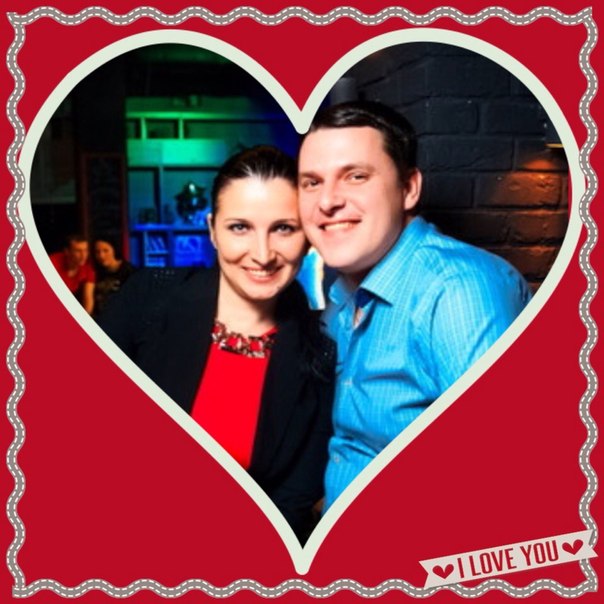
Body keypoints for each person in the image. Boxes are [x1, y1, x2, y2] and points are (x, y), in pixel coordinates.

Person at [297, 101, 532, 511]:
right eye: (312, 182)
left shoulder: (458, 290)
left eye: (355, 176)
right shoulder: (345, 285)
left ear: (409, 188)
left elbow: (502, 476)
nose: (327, 201)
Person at [99, 146, 334, 542]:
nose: (262, 254)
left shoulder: (321, 349)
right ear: (212, 230)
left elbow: (292, 500)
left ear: (308, 236)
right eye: (240, 227)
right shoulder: (148, 299)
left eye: (283, 228)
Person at [49, 234, 96, 314]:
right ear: (67, 251)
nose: (83, 255)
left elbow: (88, 298)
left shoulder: (87, 269)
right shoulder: (52, 263)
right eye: (78, 251)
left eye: (86, 250)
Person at [92, 236, 136, 318]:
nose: (101, 255)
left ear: (114, 250)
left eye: (106, 251)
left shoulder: (128, 271)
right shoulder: (95, 272)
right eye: (97, 252)